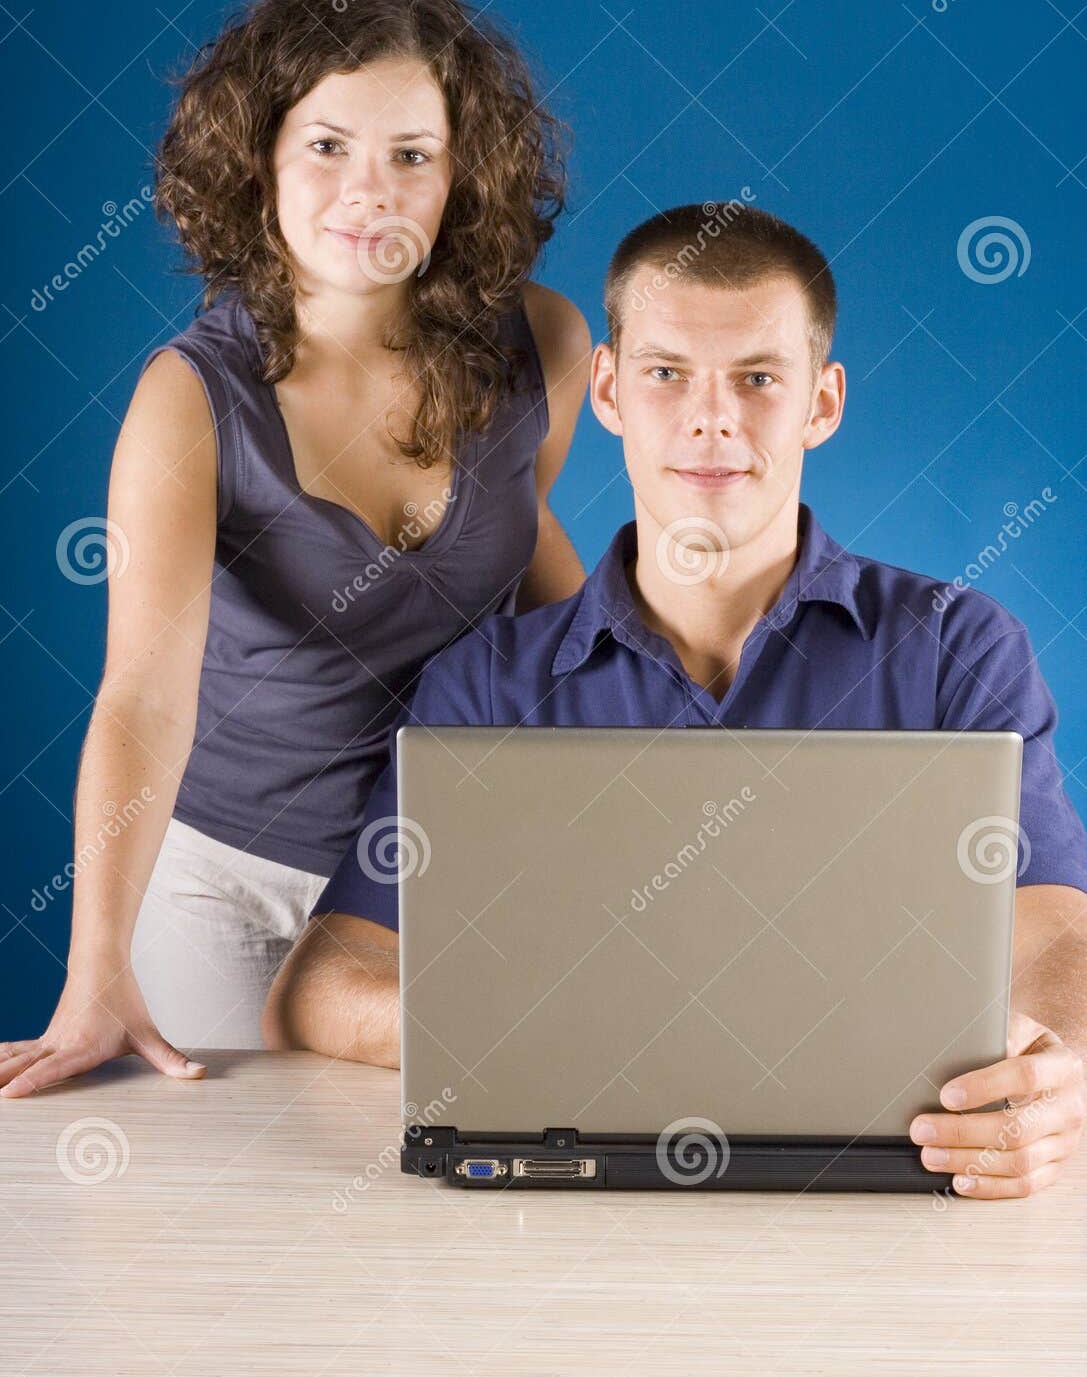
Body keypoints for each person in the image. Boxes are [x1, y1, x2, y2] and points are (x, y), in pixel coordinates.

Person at [262, 202, 1087, 1201]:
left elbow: (1050, 929)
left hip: (889, 1196)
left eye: (757, 378)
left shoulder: (956, 648)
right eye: (665, 374)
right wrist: (558, 1037)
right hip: (559, 1209)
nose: (711, 418)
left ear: (821, 404)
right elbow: (322, 982)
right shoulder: (486, 684)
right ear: (606, 388)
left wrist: (1054, 1069)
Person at [0, 0, 590, 1099]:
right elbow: (142, 697)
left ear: (463, 174)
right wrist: (94, 972)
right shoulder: (191, 400)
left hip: (435, 878)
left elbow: (524, 548)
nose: (369, 193)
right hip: (227, 883)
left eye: (412, 154)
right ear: (258, 158)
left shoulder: (543, 344)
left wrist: (677, 735)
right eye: (327, 145)